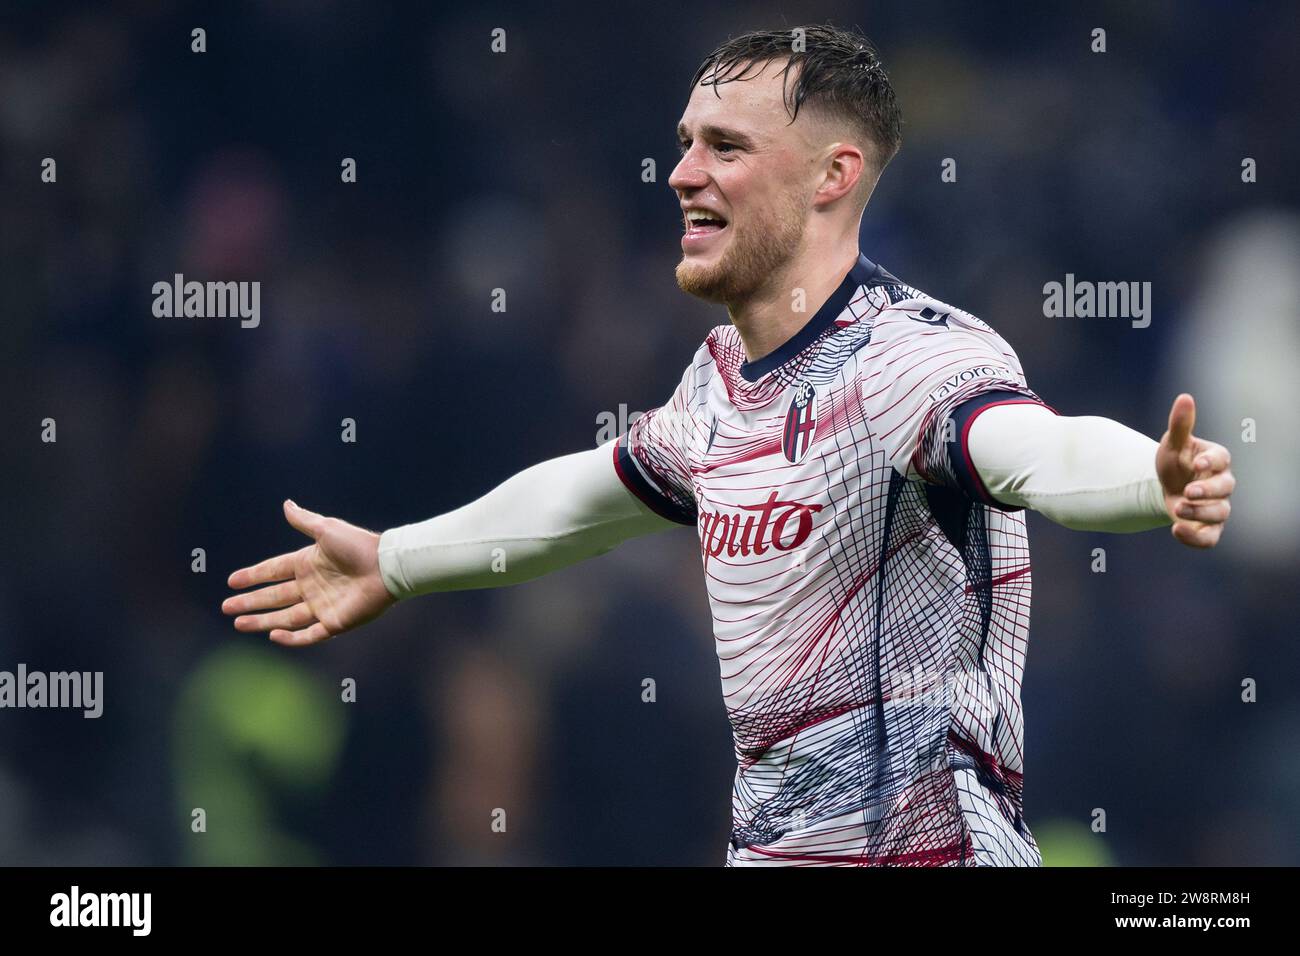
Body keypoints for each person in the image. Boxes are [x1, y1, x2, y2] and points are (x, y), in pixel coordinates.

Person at [223, 25, 1235, 866]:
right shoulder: (716, 383)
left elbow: (1034, 447)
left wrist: (1147, 478)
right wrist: (396, 558)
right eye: (684, 141)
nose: (680, 173)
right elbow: (585, 497)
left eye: (725, 147)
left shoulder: (909, 358)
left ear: (834, 176)